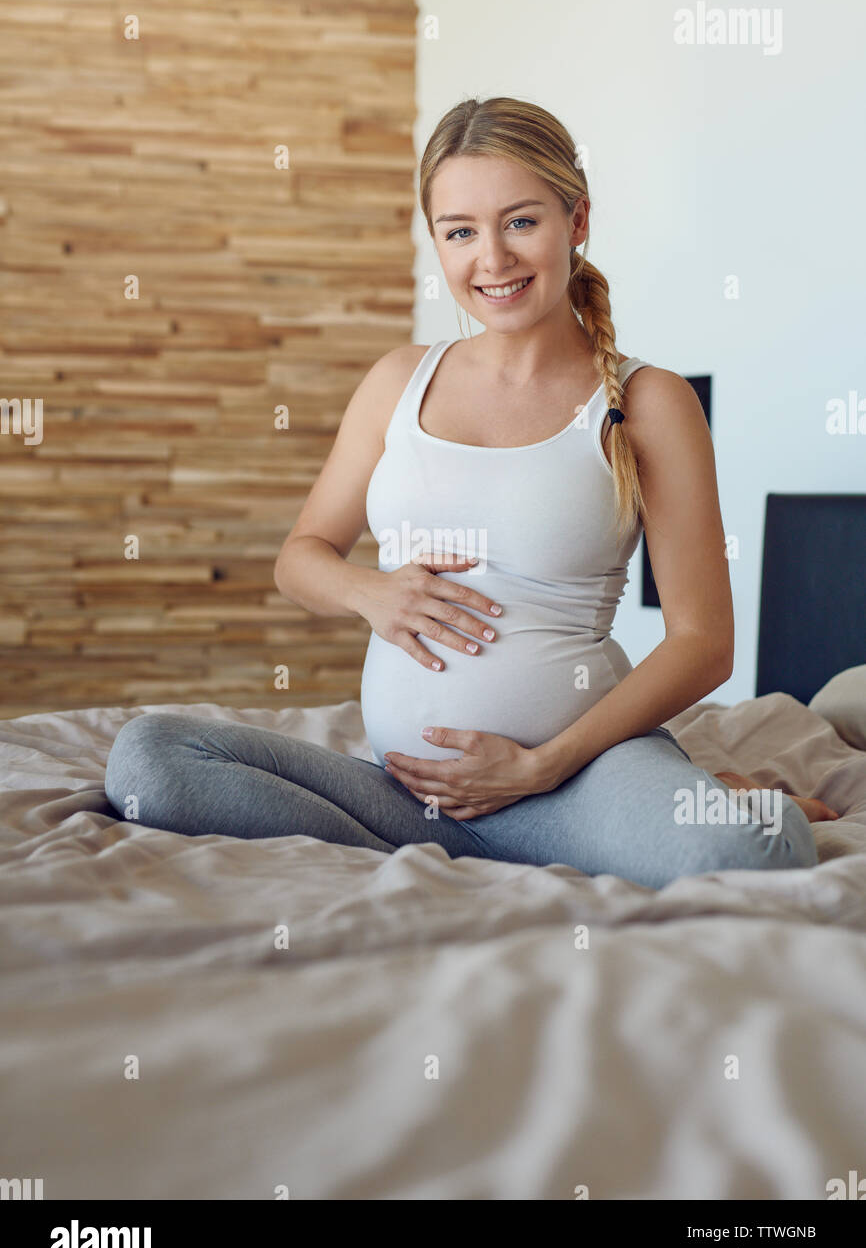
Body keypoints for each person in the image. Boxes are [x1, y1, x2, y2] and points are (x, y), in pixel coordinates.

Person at [104, 96, 832, 890]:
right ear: (437, 242)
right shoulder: (396, 382)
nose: (492, 258)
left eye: (521, 222)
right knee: (153, 762)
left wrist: (540, 767)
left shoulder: (646, 401)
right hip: (407, 794)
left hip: (574, 776)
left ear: (576, 220)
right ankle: (530, 839)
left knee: (745, 854)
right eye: (460, 231)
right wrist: (371, 594)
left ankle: (661, 810)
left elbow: (705, 644)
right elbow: (301, 558)